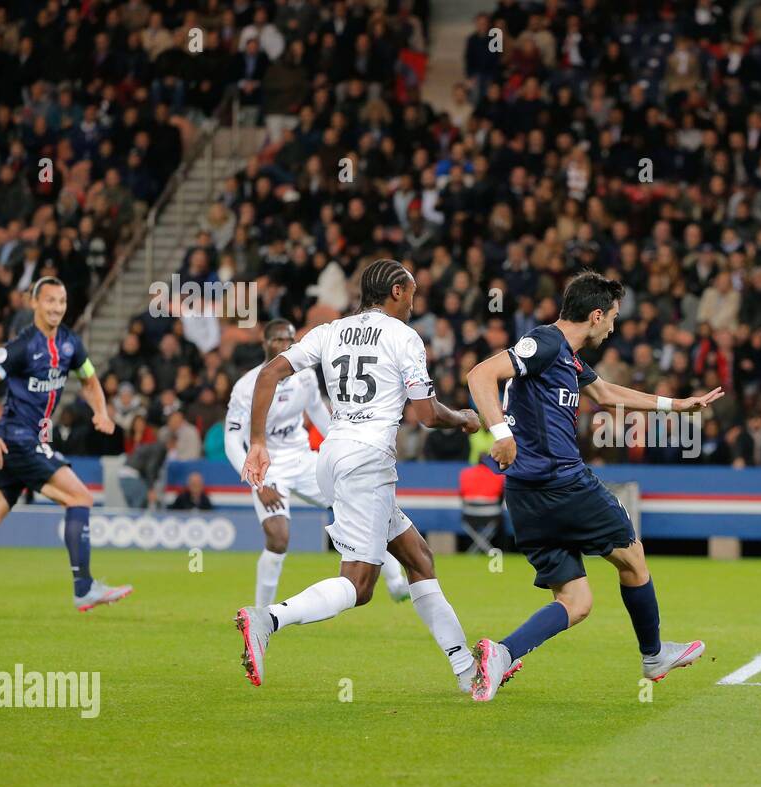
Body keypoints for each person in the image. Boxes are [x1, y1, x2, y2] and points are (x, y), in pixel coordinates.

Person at [464, 271, 722, 701]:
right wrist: (500, 433)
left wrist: (675, 405)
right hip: (563, 483)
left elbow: (604, 394)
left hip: (526, 495)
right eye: (613, 318)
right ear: (596, 314)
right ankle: (654, 654)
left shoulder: (568, 357)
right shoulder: (546, 343)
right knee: (634, 558)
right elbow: (480, 375)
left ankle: (502, 654)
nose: (614, 327)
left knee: (576, 601)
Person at [235, 260, 481, 692]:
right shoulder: (404, 337)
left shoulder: (330, 331)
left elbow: (271, 372)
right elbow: (424, 414)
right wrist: (462, 417)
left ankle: (466, 671)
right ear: (398, 292)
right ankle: (268, 619)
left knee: (419, 558)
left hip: (332, 456)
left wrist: (258, 442)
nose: (415, 301)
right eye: (414, 292)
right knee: (359, 584)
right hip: (367, 461)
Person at [225, 318, 410, 608]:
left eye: (289, 340)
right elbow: (232, 441)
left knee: (363, 505)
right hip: (268, 467)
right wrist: (256, 482)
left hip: (303, 460)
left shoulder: (305, 377)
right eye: (277, 340)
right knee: (278, 537)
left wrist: (347, 447)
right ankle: (260, 613)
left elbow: (322, 419)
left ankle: (396, 581)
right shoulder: (247, 387)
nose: (284, 345)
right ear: (265, 343)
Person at [0, 277, 132, 610]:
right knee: (80, 498)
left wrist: (100, 410)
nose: (56, 308)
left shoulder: (71, 344)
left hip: (27, 441)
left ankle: (85, 587)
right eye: (49, 301)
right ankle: (84, 587)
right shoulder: (20, 347)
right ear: (34, 303)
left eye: (61, 301)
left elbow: (88, 379)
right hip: (20, 439)